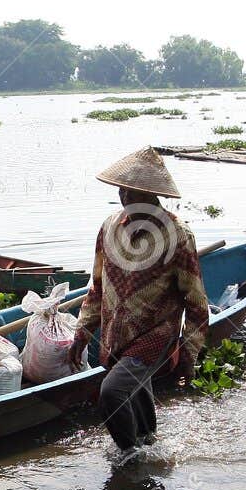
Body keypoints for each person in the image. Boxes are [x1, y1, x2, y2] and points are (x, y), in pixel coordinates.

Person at [68, 147, 209, 456]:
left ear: (153, 196)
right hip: (115, 333)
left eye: (134, 193)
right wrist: (82, 333)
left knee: (113, 392)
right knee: (137, 394)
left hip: (155, 335)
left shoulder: (177, 235)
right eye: (124, 191)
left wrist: (189, 354)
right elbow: (97, 286)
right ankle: (148, 445)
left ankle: (130, 461)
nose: (126, 198)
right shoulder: (109, 228)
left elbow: (196, 300)